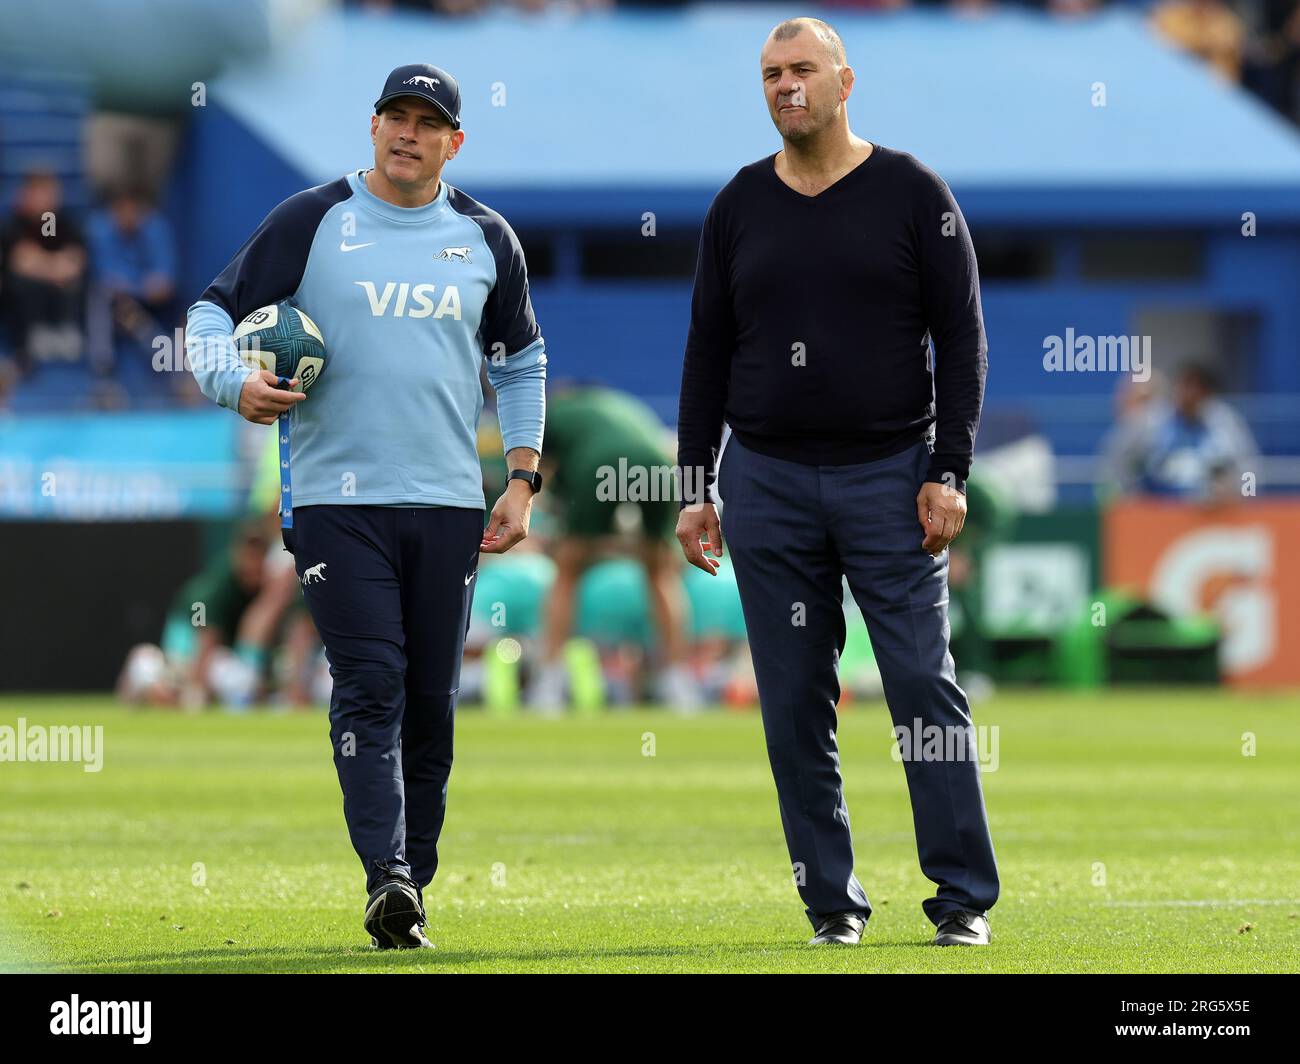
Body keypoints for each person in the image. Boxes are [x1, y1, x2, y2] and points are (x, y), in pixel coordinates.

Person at [185, 64, 547, 949]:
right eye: (396, 116)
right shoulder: (311, 220)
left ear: (453, 142)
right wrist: (236, 383)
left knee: (431, 699)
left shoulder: (486, 237)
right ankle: (385, 875)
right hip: (335, 504)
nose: (408, 133)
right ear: (374, 124)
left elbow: (522, 360)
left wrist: (524, 478)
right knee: (372, 681)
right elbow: (206, 314)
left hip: (449, 504)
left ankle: (408, 885)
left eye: (429, 123)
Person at [675, 18, 998, 948]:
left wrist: (950, 468)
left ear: (844, 81)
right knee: (791, 703)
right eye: (771, 73)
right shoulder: (738, 204)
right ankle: (832, 906)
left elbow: (964, 340)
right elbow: (706, 352)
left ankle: (963, 900)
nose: (786, 86)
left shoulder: (911, 192)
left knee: (919, 687)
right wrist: (698, 484)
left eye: (802, 70)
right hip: (767, 483)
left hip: (891, 477)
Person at [527, 384, 699, 711]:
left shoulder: (552, 413)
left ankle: (549, 684)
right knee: (660, 572)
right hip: (656, 463)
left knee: (568, 569)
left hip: (598, 466)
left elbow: (539, 471)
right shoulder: (618, 404)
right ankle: (679, 684)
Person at [1100, 362, 1258, 501]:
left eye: (1199, 389)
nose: (1190, 394)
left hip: (1212, 517)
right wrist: (1127, 498)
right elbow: (1116, 459)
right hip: (1158, 515)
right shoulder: (1150, 422)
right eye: (1186, 386)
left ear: (1208, 394)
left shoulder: (1226, 424)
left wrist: (1239, 494)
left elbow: (1249, 467)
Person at [0, 170, 88, 370]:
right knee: (21, 282)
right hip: (25, 304)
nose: (47, 198)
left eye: (51, 192)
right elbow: (21, 261)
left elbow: (76, 260)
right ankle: (32, 337)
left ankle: (66, 331)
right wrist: (55, 268)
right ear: (27, 195)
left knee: (75, 283)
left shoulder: (65, 223)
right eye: (41, 192)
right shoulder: (14, 224)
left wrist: (45, 265)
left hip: (61, 292)